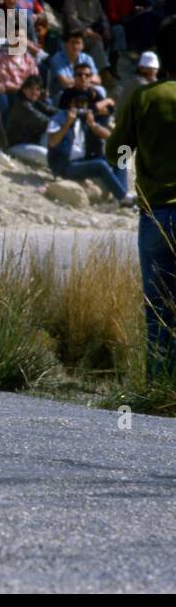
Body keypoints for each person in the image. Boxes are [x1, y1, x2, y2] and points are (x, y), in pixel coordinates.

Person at [106, 19, 176, 378]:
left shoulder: (145, 98)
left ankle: (161, 387)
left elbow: (115, 152)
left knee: (160, 306)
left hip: (156, 215)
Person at [48, 78, 131, 204]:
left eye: (84, 103)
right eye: (78, 103)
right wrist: (67, 124)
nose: (81, 106)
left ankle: (121, 194)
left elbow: (109, 137)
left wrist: (93, 125)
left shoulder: (85, 118)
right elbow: (52, 142)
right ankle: (124, 197)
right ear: (71, 104)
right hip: (65, 165)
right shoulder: (59, 118)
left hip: (84, 159)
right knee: (100, 165)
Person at [4, 73, 56, 167]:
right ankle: (61, 169)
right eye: (31, 88)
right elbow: (44, 121)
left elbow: (51, 111)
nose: (34, 92)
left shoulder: (35, 102)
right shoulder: (23, 105)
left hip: (33, 142)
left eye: (37, 89)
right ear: (24, 89)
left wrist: (67, 113)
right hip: (16, 146)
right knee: (44, 154)